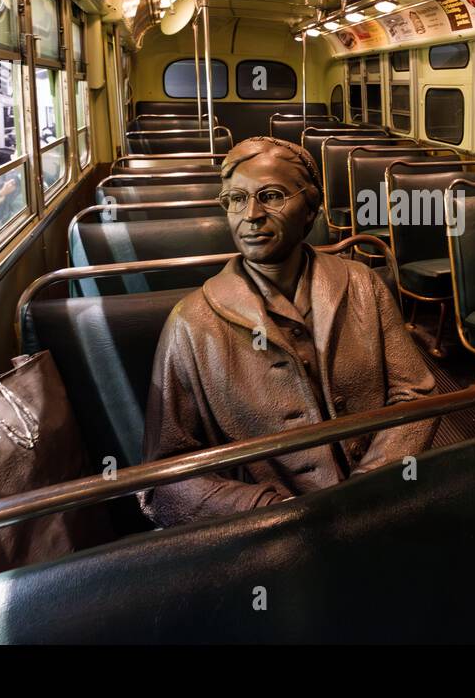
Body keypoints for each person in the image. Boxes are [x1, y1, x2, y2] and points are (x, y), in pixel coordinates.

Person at [141, 137, 437, 526]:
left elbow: (415, 394)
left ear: (310, 209)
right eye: (235, 199)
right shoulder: (192, 323)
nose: (251, 214)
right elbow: (162, 478)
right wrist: (265, 511)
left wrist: (371, 483)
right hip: (269, 531)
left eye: (271, 196)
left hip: (380, 504)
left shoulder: (363, 285)